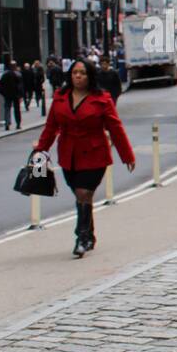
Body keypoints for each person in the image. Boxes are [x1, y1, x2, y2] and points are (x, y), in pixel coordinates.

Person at [32, 58, 136, 257]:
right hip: (69, 155)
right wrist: (40, 150)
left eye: (82, 73)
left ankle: (81, 237)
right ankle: (89, 234)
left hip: (95, 154)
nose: (78, 76)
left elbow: (115, 129)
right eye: (74, 73)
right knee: (80, 196)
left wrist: (127, 155)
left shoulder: (102, 99)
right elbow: (51, 127)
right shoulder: (60, 97)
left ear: (90, 76)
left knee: (83, 193)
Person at [0, 60, 23, 130]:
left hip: (7, 94)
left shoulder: (4, 75)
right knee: (17, 109)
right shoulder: (18, 74)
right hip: (15, 94)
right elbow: (20, 86)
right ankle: (18, 123)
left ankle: (7, 123)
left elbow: (0, 85)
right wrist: (20, 95)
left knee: (7, 109)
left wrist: (3, 93)